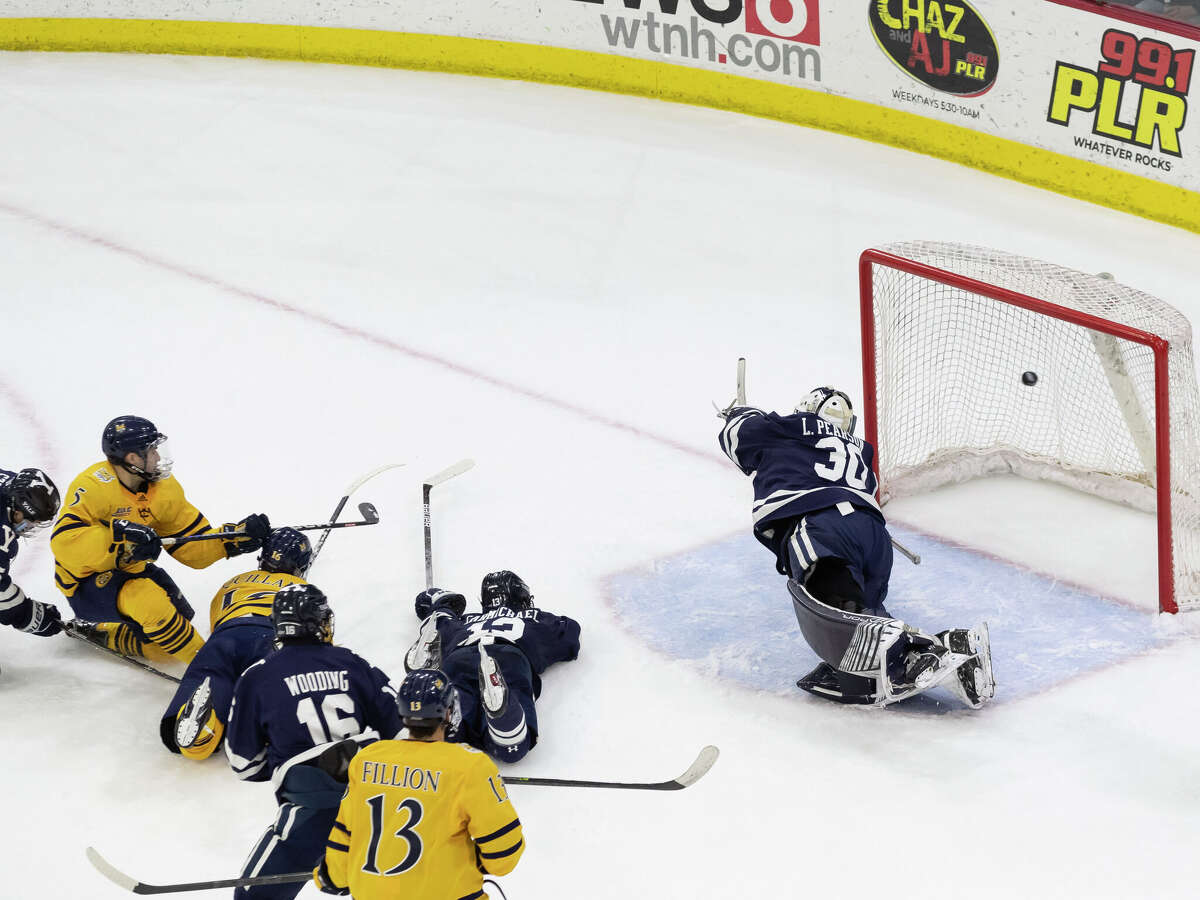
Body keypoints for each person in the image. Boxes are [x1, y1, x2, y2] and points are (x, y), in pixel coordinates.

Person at [718, 386, 994, 708]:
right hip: (874, 538)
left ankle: (900, 656)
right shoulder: (861, 448)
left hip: (822, 526)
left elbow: (738, 439)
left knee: (830, 602)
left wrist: (740, 414)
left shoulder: (789, 427)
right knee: (863, 617)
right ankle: (947, 648)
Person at [225, 582, 402, 900]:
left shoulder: (257, 675)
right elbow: (400, 727)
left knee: (252, 896)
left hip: (311, 805)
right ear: (318, 622)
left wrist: (285, 755)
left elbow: (244, 764)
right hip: (378, 798)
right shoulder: (351, 661)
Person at [52, 415, 271, 662]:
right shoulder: (92, 487)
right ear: (132, 458)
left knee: (168, 640)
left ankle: (101, 632)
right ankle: (210, 666)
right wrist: (120, 538)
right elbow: (64, 543)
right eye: (152, 450)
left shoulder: (163, 488)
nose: (157, 456)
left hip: (130, 570)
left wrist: (233, 538)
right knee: (149, 601)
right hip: (85, 581)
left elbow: (190, 544)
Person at [313, 668, 525, 899]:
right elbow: (504, 856)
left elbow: (345, 837)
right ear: (447, 713)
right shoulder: (469, 766)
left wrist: (330, 876)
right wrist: (464, 857)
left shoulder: (367, 759)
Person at [159, 527, 312, 760]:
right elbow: (313, 633)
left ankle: (200, 736)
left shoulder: (233, 582)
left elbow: (216, 619)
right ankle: (266, 724)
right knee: (272, 682)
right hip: (270, 636)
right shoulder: (303, 590)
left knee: (210, 675)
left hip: (226, 635)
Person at [405, 570, 581, 762]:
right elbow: (569, 636)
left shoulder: (464, 621)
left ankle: (450, 716)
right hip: (507, 657)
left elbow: (428, 605)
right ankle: (503, 711)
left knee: (452, 718)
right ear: (519, 596)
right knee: (512, 748)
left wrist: (442, 607)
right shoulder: (531, 619)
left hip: (459, 656)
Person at [0, 468, 64, 639]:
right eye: (30, 522)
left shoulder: (11, 487)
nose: (30, 527)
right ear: (17, 510)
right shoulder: (2, 533)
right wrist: (28, 615)